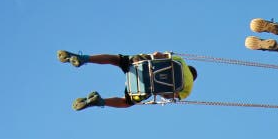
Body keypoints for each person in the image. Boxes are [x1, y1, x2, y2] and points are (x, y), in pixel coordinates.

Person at [57, 50, 197, 110]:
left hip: (140, 64)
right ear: (193, 78)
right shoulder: (189, 89)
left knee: (115, 60)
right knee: (126, 102)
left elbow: (157, 54)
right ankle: (99, 101)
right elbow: (169, 95)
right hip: (146, 88)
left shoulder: (181, 61)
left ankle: (84, 58)